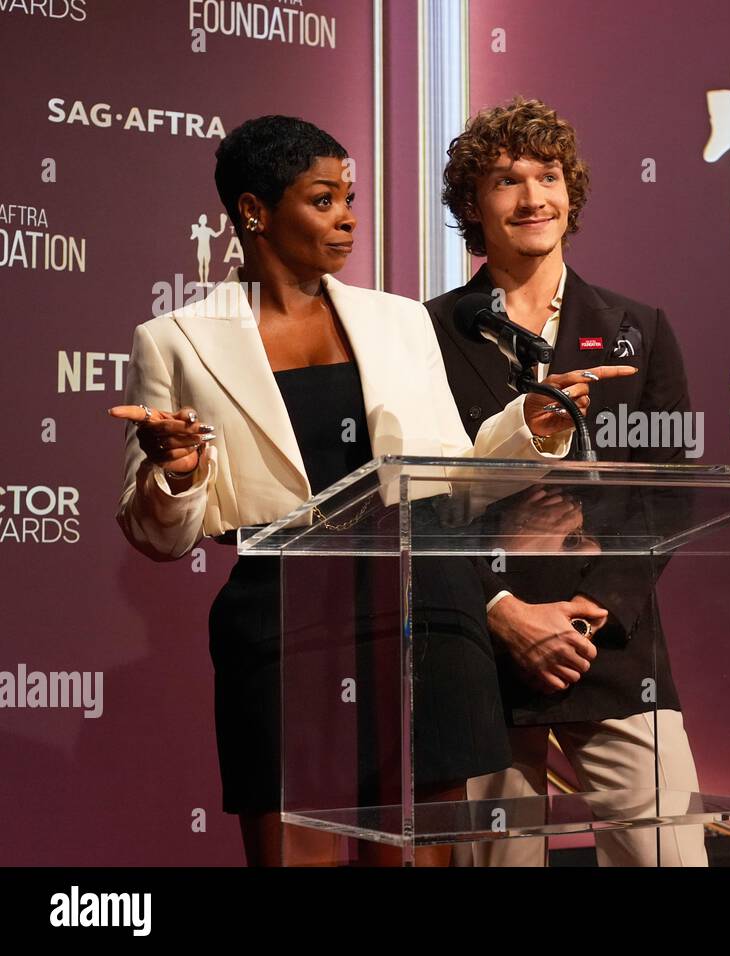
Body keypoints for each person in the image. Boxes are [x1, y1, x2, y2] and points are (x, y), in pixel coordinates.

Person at [109, 114, 631, 866]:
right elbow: (156, 534)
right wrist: (180, 472)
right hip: (283, 620)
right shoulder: (175, 340)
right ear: (255, 212)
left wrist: (535, 418)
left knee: (419, 852)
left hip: (421, 608)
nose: (348, 216)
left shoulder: (397, 322)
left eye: (349, 196)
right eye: (323, 199)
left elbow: (455, 474)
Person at [426, 97, 707, 866]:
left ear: (571, 192)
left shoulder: (637, 329)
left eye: (547, 175)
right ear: (471, 206)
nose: (532, 198)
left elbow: (668, 494)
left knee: (670, 856)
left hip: (612, 652)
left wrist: (589, 618)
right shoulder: (425, 334)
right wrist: (504, 611)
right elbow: (419, 502)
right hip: (486, 652)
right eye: (506, 181)